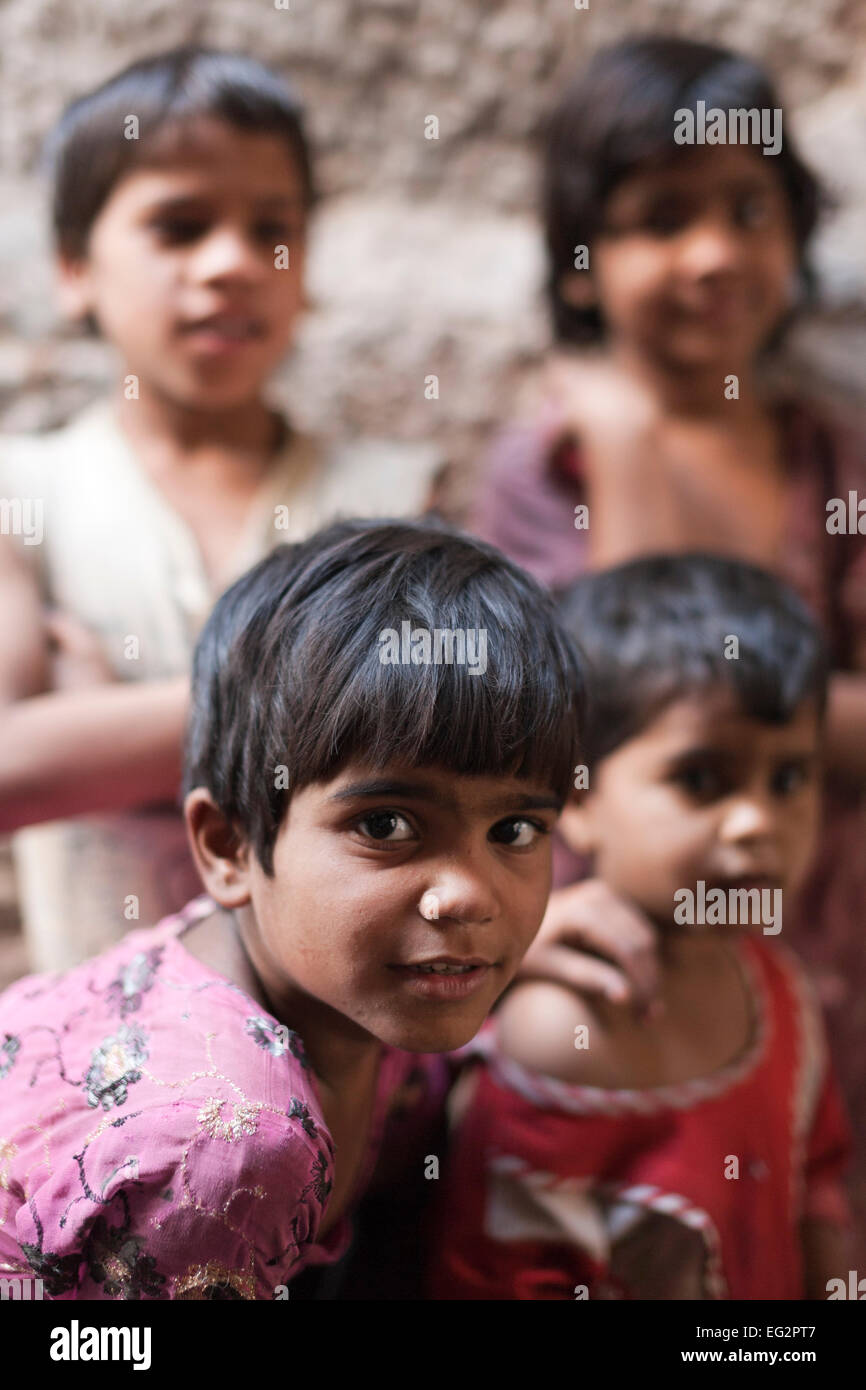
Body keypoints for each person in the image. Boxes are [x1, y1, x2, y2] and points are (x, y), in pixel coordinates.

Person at [469, 34, 866, 1259]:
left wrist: (726, 740)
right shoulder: (552, 464)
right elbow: (574, 704)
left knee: (803, 1196)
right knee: (643, 1228)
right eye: (659, 218)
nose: (712, 254)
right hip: (624, 950)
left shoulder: (829, 458)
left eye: (748, 208)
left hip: (824, 923)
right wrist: (631, 443)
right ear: (581, 268)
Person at [0, 517, 584, 1299]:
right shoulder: (230, 1144)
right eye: (385, 826)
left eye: (514, 830)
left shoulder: (347, 985)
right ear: (230, 848)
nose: (469, 896)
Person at [0, 47, 441, 971]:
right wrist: (317, 711)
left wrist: (117, 729)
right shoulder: (23, 494)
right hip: (100, 1071)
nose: (234, 263)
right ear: (75, 268)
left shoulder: (396, 502)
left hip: (349, 1061)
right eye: (180, 225)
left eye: (270, 229)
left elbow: (432, 756)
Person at [428, 554, 853, 1300]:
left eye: (789, 778)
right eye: (700, 780)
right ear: (576, 797)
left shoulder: (776, 984)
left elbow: (813, 1189)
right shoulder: (560, 1028)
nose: (759, 823)